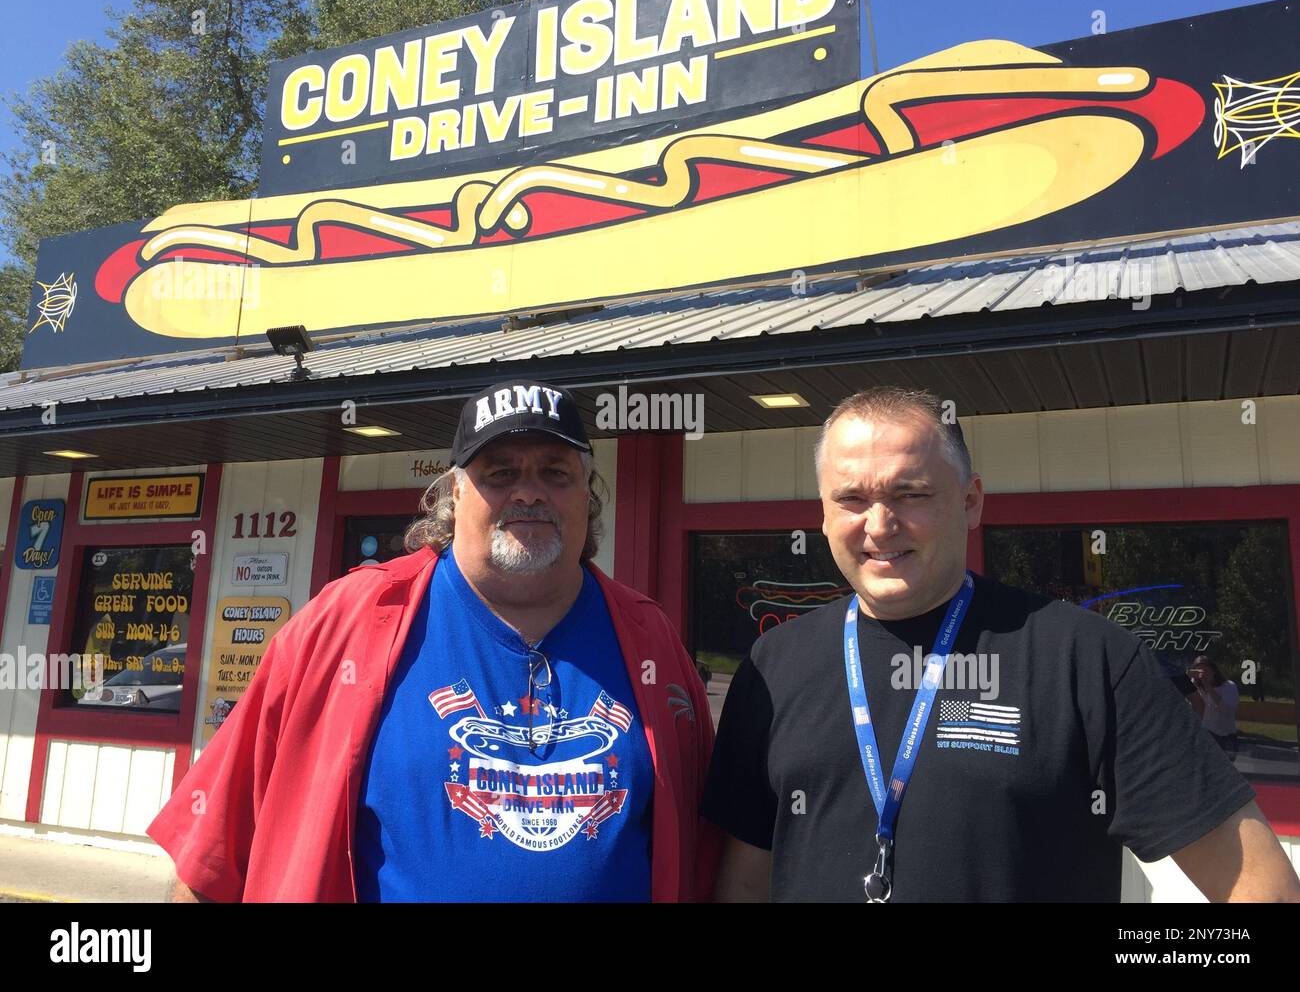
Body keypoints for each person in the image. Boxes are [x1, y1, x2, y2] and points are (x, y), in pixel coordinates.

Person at [702, 385, 1300, 903]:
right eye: (851, 499)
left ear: (970, 501)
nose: (879, 525)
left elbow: (1263, 887)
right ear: (824, 515)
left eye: (910, 494)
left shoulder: (1086, 659)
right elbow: (746, 884)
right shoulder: (773, 667)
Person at [150, 379, 717, 902]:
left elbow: (708, 848)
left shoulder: (649, 638)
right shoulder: (344, 621)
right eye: (499, 473)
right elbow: (212, 855)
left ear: (585, 496)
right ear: (454, 495)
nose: (529, 493)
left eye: (555, 472)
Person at [1188, 655, 1240, 760]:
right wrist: (1186, 680)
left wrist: (1209, 687)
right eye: (1199, 671)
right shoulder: (1196, 687)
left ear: (1214, 671)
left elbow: (1228, 710)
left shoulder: (1228, 686)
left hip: (1227, 736)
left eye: (1206, 670)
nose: (1203, 675)